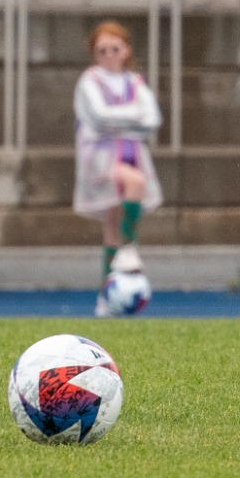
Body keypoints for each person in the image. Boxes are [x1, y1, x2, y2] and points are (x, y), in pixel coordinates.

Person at [74, 21, 163, 285]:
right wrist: (133, 116)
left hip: (131, 154)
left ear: (126, 50)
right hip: (100, 158)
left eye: (114, 49)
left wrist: (122, 123)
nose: (109, 55)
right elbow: (98, 118)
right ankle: (128, 247)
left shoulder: (135, 83)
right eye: (102, 50)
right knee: (135, 182)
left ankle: (108, 288)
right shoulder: (90, 82)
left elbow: (152, 120)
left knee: (112, 220)